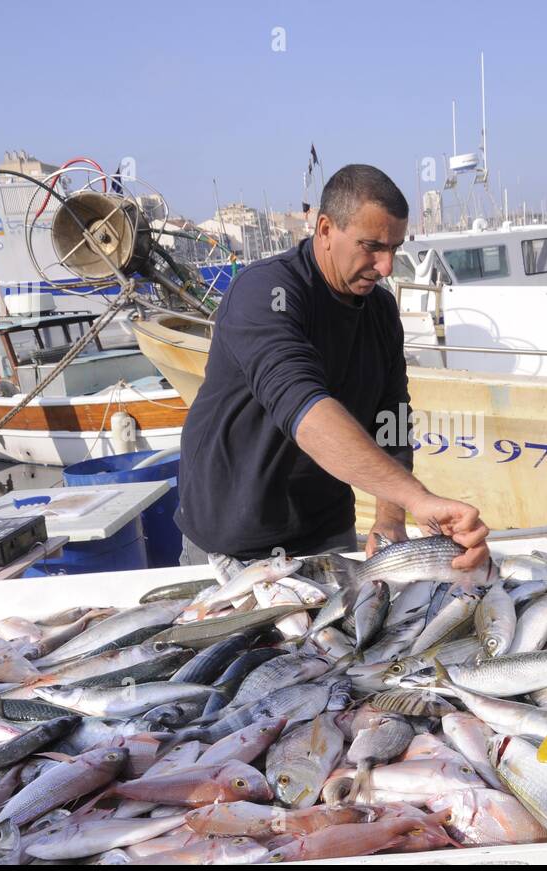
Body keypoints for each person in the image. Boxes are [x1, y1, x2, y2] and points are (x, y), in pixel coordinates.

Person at [176, 164, 489, 571]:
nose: (387, 266)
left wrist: (392, 517)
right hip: (230, 542)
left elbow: (391, 418)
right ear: (325, 229)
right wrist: (418, 498)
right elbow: (302, 406)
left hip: (325, 534)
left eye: (394, 247)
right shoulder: (265, 292)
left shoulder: (380, 310)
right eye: (372, 246)